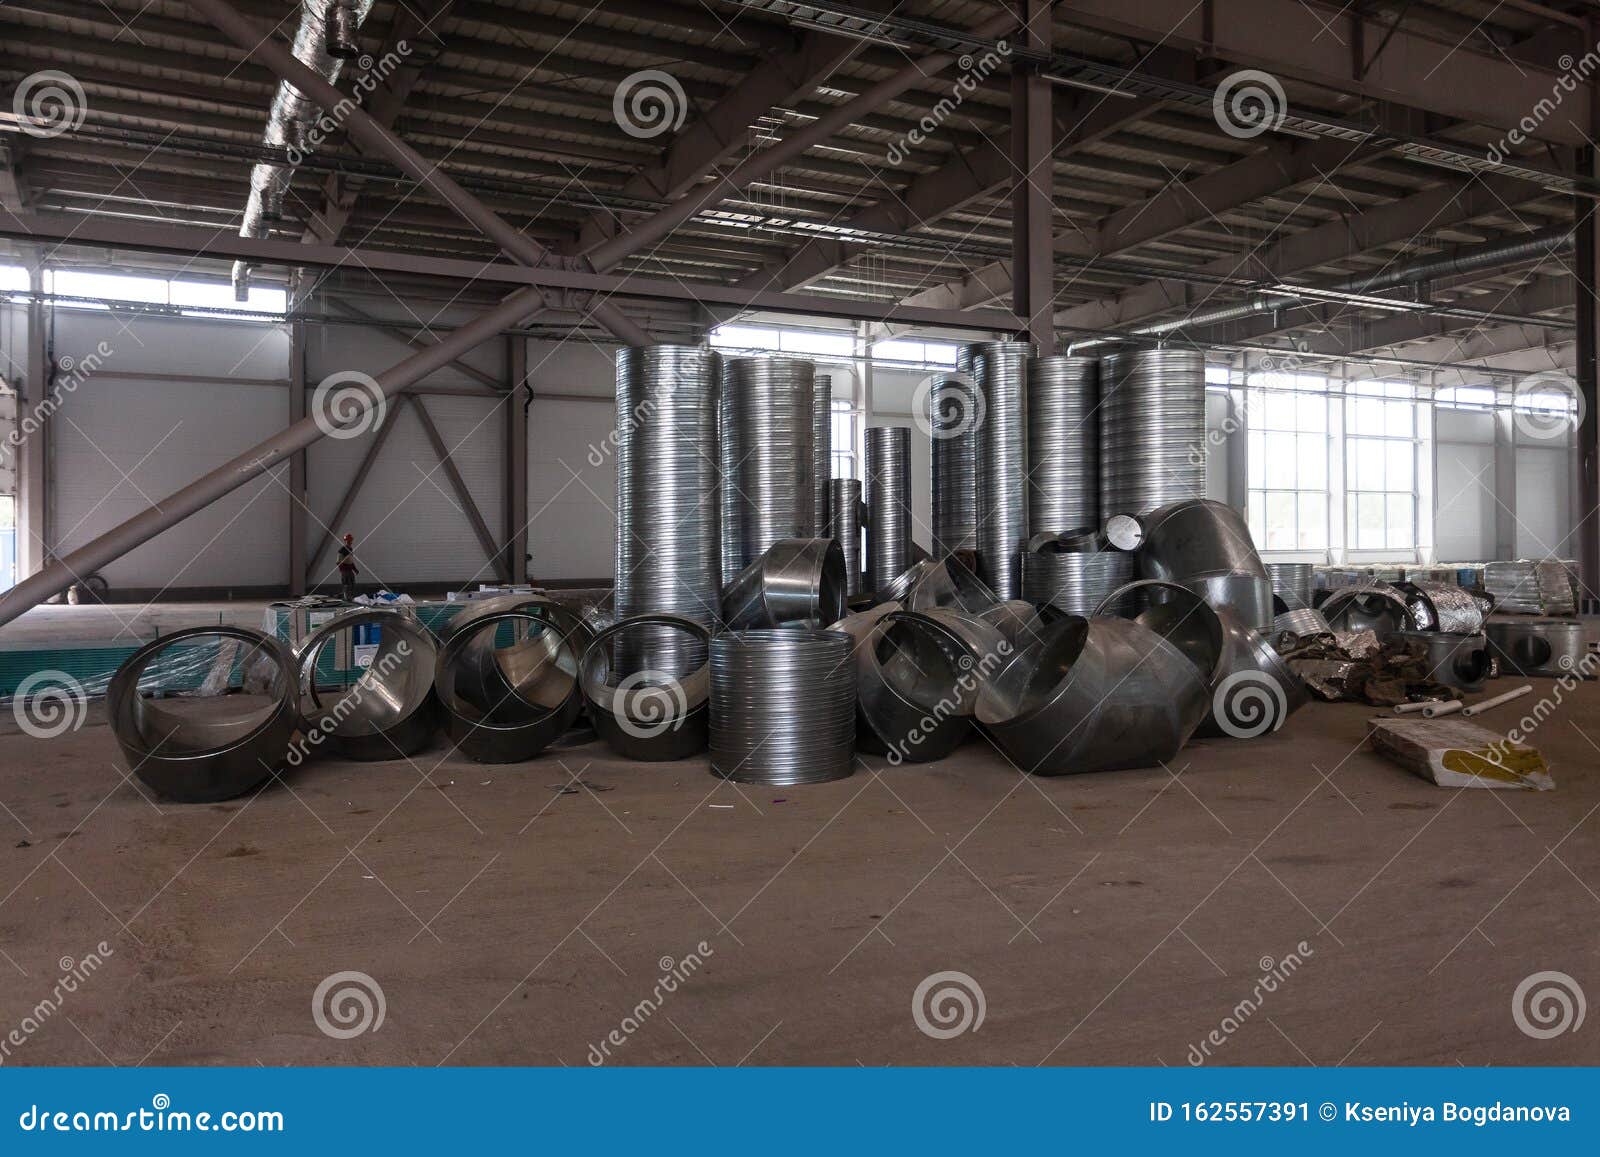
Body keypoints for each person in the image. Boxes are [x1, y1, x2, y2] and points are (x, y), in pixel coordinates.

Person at [337, 533, 359, 601]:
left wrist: (355, 569)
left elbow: (350, 561)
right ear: (345, 541)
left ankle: (350, 596)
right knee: (346, 584)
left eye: (350, 540)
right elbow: (338, 561)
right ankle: (346, 597)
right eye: (348, 540)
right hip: (345, 570)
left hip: (349, 570)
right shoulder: (342, 549)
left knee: (352, 583)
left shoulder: (350, 549)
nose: (349, 542)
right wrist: (342, 570)